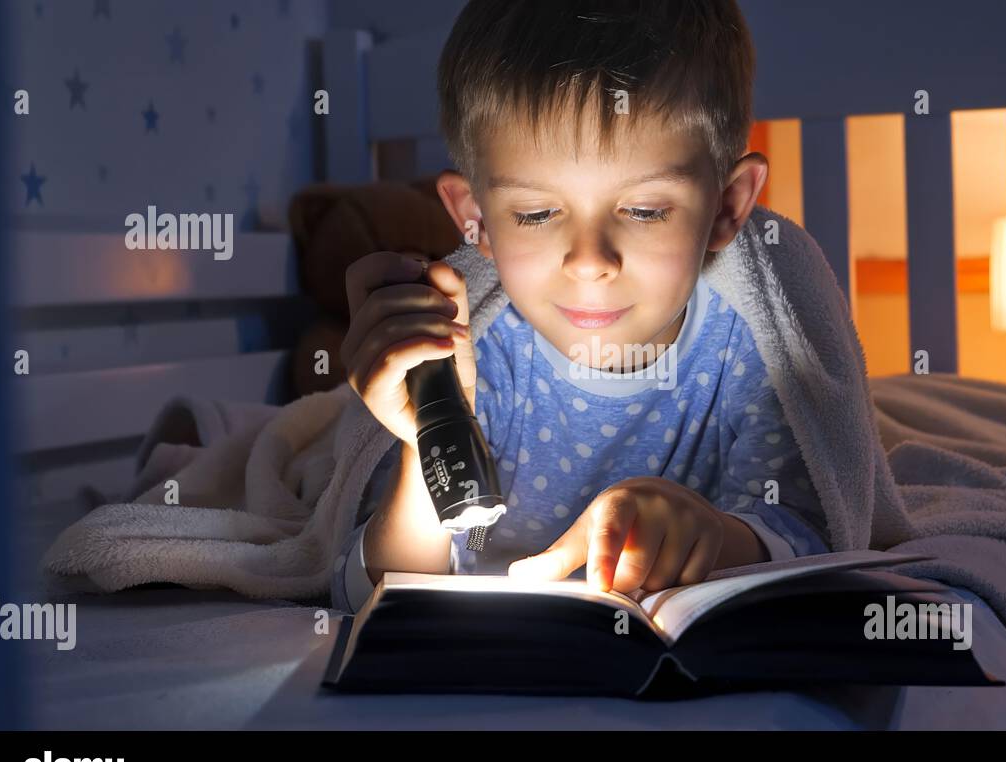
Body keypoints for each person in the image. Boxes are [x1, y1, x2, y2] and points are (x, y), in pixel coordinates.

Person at [331, 0, 830, 613]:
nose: (590, 260)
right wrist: (425, 437)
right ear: (473, 218)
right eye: (537, 214)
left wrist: (711, 536)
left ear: (727, 206)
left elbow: (812, 537)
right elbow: (376, 587)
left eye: (645, 210)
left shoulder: (752, 343)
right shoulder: (466, 348)